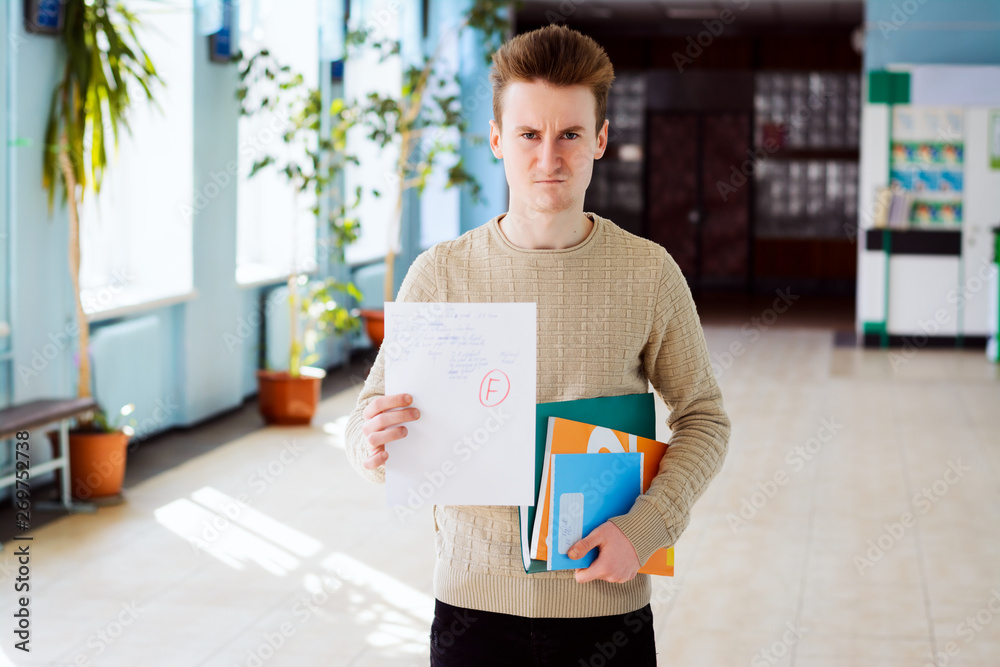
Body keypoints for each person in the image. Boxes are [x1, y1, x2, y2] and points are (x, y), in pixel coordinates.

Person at [345, 24, 731, 666]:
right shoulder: (440, 273)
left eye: (570, 134)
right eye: (528, 134)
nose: (548, 157)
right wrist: (372, 441)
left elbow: (704, 418)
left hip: (606, 609)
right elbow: (369, 418)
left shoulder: (648, 273)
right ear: (497, 139)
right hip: (472, 611)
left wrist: (649, 527)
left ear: (601, 140)